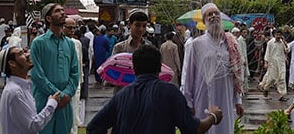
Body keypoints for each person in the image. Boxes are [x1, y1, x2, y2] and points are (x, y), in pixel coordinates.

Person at [88, 45, 222, 134]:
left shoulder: (121, 95)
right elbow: (194, 128)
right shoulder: (170, 92)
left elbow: (93, 128)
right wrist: (213, 116)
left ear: (134, 69)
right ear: (159, 67)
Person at [182, 3, 244, 134]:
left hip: (226, 96)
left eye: (216, 13)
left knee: (225, 128)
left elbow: (237, 74)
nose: (214, 16)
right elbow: (188, 76)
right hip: (203, 97)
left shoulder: (230, 43)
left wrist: (238, 100)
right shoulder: (196, 44)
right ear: (204, 21)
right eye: (209, 14)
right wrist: (188, 104)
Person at [30, 3, 80, 134]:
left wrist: (67, 94)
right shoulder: (38, 43)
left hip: (65, 102)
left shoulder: (69, 43)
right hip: (45, 99)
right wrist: (58, 95)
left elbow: (75, 73)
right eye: (58, 11)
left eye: (63, 10)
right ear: (48, 18)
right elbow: (37, 75)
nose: (63, 13)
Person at [0, 46, 67, 134]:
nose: (27, 55)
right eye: (21, 54)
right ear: (12, 63)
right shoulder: (15, 92)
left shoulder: (20, 88)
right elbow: (32, 126)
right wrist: (52, 104)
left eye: (25, 52)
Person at [62, 16, 84, 134]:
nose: (71, 31)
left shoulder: (77, 43)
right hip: (62, 84)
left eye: (73, 28)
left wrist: (80, 81)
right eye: (68, 28)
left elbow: (79, 64)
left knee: (74, 113)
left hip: (75, 85)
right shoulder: (57, 43)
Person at [258, 29, 288, 101]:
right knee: (272, 79)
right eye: (277, 34)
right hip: (273, 63)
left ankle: (282, 95)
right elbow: (267, 53)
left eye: (280, 35)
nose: (278, 36)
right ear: (274, 35)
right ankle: (265, 89)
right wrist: (266, 62)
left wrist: (285, 42)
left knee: (282, 78)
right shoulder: (270, 42)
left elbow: (287, 50)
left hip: (281, 63)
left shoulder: (282, 42)